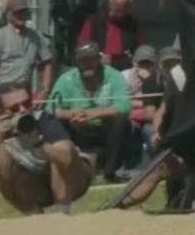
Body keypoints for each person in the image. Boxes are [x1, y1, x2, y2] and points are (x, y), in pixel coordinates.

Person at [0, 83, 94, 214]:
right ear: (2, 111)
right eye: (14, 108)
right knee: (2, 178)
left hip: (75, 177)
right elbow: (2, 171)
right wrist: (0, 141)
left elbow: (67, 157)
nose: (22, 110)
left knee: (58, 155)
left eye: (26, 103)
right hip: (37, 183)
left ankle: (63, 214)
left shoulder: (44, 119)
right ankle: (35, 216)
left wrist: (39, 144)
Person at [46, 42, 132, 183]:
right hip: (76, 128)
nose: (87, 64)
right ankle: (64, 171)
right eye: (82, 60)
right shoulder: (65, 79)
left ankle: (109, 174)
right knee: (53, 123)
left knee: (122, 121)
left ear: (99, 59)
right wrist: (71, 114)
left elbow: (124, 106)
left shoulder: (114, 76)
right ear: (76, 62)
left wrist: (93, 113)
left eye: (90, 59)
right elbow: (50, 109)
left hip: (105, 128)